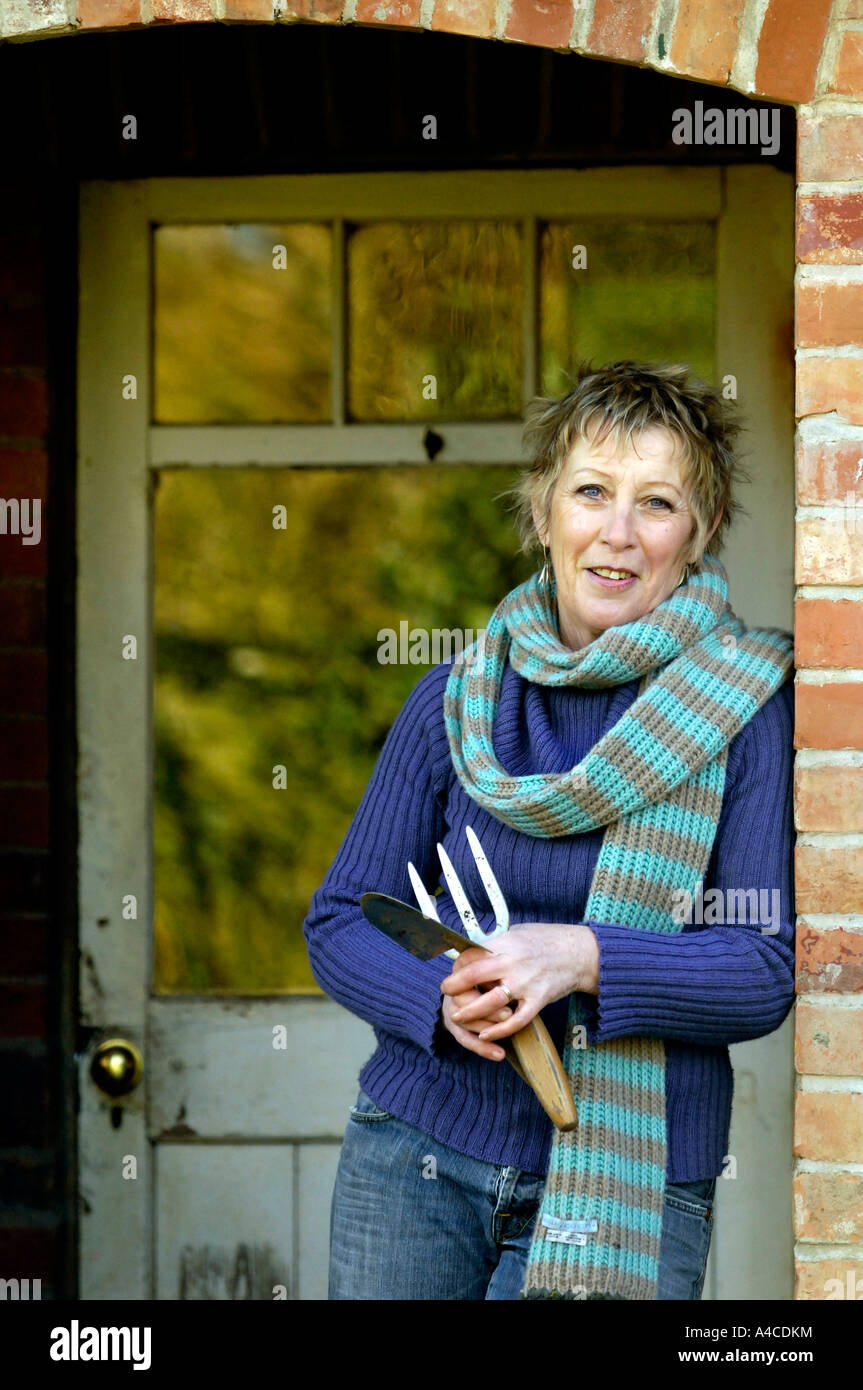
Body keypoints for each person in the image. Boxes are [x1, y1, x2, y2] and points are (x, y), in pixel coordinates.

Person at [303, 359, 795, 1301]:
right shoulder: (455, 702)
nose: (617, 533)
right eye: (591, 492)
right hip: (416, 1154)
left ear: (701, 532)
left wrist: (578, 955)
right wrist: (438, 996)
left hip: (632, 1183)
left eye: (657, 503)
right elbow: (338, 920)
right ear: (541, 512)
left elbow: (759, 968)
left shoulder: (741, 713)